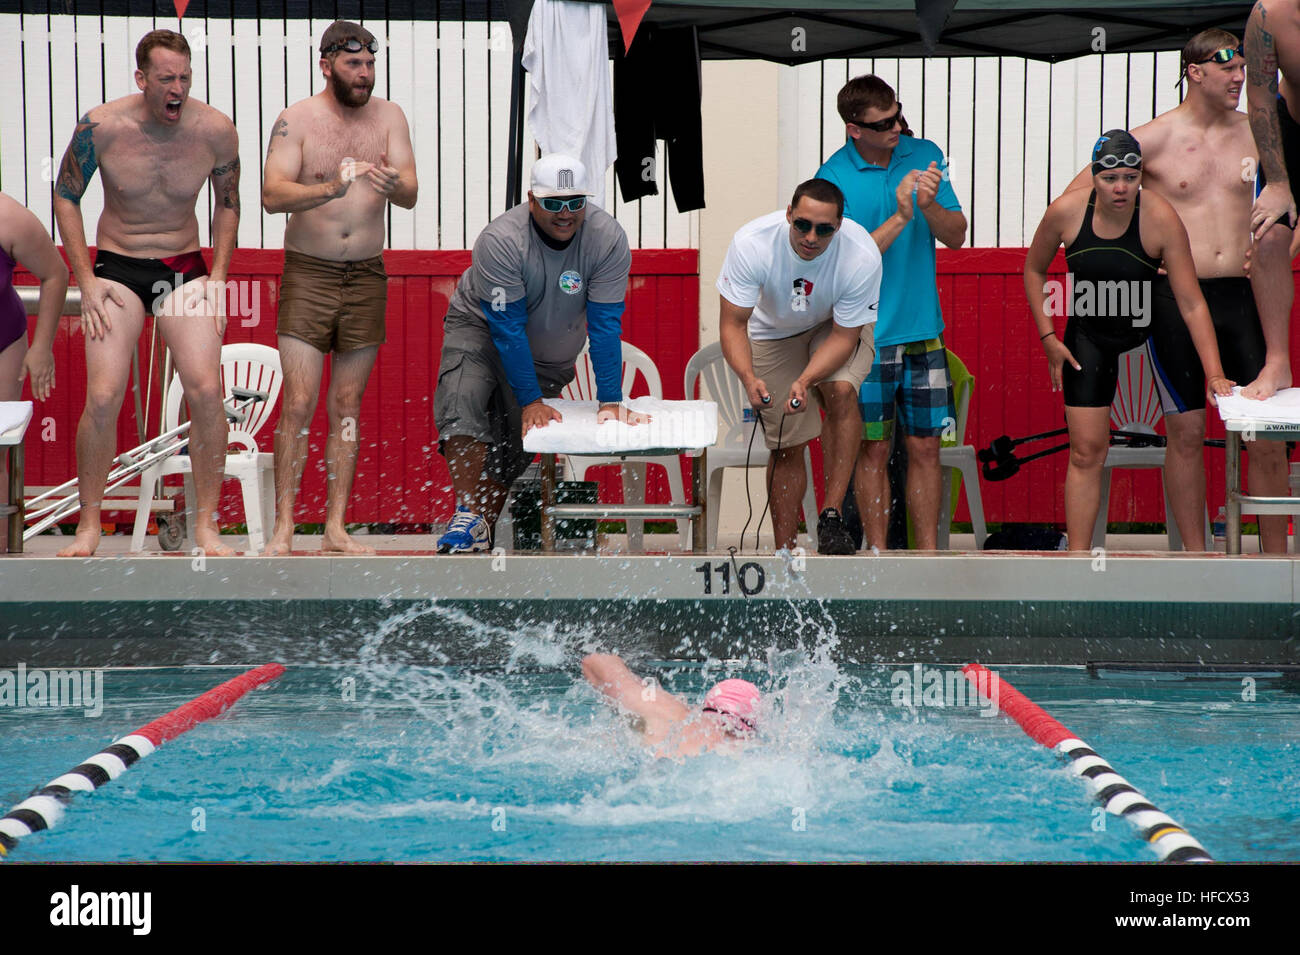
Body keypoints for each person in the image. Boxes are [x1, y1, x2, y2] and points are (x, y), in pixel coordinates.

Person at [1065, 30, 1288, 552]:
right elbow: (1072, 208)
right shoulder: (1151, 141)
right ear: (1195, 71)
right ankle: (1196, 557)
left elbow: (1295, 201)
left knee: (1267, 440)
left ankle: (1278, 561)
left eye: (1244, 71)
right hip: (1175, 304)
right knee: (1186, 436)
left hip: (1248, 299)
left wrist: (1285, 252)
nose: (1241, 80)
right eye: (1229, 70)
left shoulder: (1261, 135)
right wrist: (1137, 258)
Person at [52, 29, 240, 557]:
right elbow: (65, 196)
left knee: (206, 392)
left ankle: (205, 524)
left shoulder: (215, 131)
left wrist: (220, 278)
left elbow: (229, 203)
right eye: (166, 79)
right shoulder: (103, 127)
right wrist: (84, 280)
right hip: (116, 267)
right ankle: (90, 526)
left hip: (184, 267)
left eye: (184, 77)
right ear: (142, 79)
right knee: (105, 395)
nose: (176, 88)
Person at [1025, 130, 1233, 551]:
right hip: (1090, 326)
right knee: (1086, 450)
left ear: (1141, 176)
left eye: (1129, 176)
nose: (1120, 188)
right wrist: (1048, 336)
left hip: (1156, 315)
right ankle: (1080, 563)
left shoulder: (1160, 216)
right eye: (1108, 178)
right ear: (1094, 178)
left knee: (1190, 433)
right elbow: (1033, 270)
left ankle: (1196, 558)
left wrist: (1215, 373)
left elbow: (1192, 302)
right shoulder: (1065, 212)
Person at [434, 154, 647, 553]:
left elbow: (604, 326)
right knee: (463, 400)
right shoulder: (501, 241)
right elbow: (507, 329)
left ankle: (477, 533)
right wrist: (530, 398)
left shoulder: (607, 239)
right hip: (480, 328)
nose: (565, 214)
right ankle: (467, 512)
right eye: (553, 203)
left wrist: (610, 399)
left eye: (575, 202)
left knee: (518, 439)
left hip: (548, 353)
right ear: (532, 200)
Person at [262, 21, 417, 556]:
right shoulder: (297, 120)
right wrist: (332, 186)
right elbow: (271, 195)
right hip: (309, 272)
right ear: (327, 64)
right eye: (354, 65)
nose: (365, 74)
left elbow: (412, 191)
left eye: (370, 65)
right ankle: (284, 526)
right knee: (300, 402)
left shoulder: (390, 117)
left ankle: (334, 526)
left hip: (367, 274)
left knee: (347, 404)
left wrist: (396, 185)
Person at [817, 75, 968, 552]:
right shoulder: (833, 178)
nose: (897, 128)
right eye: (883, 123)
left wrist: (926, 206)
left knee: (926, 448)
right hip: (865, 336)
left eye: (898, 115)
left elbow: (957, 235)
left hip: (924, 331)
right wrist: (902, 214)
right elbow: (844, 262)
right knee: (874, 448)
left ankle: (926, 559)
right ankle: (879, 556)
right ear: (853, 129)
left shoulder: (923, 151)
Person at [717, 178, 881, 554]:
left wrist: (805, 381)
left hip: (833, 325)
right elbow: (733, 324)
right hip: (772, 332)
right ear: (788, 215)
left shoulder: (861, 254)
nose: (811, 237)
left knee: (841, 390)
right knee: (786, 441)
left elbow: (844, 336)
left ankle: (831, 515)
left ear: (839, 225)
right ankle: (785, 553)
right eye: (802, 225)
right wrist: (748, 377)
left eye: (824, 229)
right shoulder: (752, 243)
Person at [1242, 0, 1300, 399]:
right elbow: (1259, 99)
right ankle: (1277, 361)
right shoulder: (1270, 14)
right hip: (1291, 127)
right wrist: (1278, 184)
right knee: (1270, 233)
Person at [581, 653, 761, 758]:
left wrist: (639, 695)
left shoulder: (669, 713)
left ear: (704, 707)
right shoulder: (749, 757)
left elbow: (595, 662)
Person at [0, 192, 67, 404]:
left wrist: (41, 346)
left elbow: (55, 273)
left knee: (4, 433)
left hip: (5, 339)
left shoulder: (8, 217)